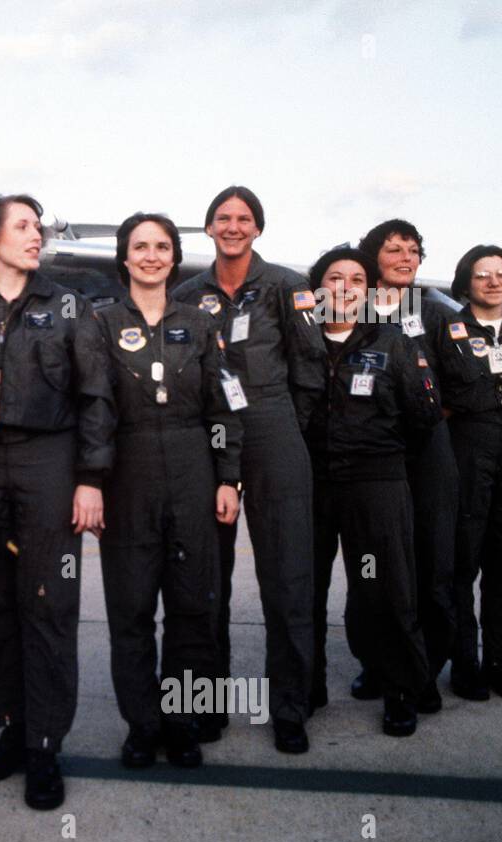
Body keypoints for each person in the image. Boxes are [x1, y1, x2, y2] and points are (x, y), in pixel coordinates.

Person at [0, 194, 110, 809]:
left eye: (38, 227)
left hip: (50, 462)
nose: (36, 235)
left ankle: (44, 746)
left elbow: (95, 395)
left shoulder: (69, 307)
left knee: (50, 604)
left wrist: (90, 477)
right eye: (24, 226)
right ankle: (10, 728)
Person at [81, 213, 242, 767]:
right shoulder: (99, 325)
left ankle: (181, 722)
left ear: (174, 258)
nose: (151, 255)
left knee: (193, 608)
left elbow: (224, 405)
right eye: (140, 246)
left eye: (162, 247)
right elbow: (94, 409)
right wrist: (92, 482)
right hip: (128, 475)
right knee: (130, 611)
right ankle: (142, 725)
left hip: (193, 468)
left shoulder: (200, 325)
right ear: (124, 257)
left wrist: (228, 477)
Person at [171, 186, 322, 753]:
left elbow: (310, 369)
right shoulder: (188, 293)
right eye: (222, 218)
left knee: (287, 579)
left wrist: (286, 430)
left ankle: (290, 705)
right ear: (208, 227)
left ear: (258, 228)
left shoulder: (287, 286)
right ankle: (208, 703)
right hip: (208, 435)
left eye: (244, 218)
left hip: (273, 430)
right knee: (207, 582)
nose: (233, 226)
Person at [298, 247, 442, 736]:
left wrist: (381, 455)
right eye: (333, 278)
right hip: (313, 483)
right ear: (317, 289)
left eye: (355, 279)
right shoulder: (300, 342)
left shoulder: (394, 341)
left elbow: (424, 415)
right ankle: (307, 685)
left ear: (368, 291)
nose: (343, 287)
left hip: (375, 483)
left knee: (387, 589)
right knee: (306, 589)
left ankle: (401, 687)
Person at [436, 245, 502, 702]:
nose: (494, 282)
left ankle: (500, 662)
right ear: (467, 281)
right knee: (462, 560)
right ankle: (464, 664)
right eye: (483, 275)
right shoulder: (447, 331)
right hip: (467, 442)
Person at [356, 220, 456, 712]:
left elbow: (461, 381)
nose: (404, 257)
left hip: (427, 450)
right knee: (372, 566)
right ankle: (375, 662)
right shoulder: (349, 308)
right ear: (373, 256)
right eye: (393, 249)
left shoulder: (434, 314)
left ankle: (424, 670)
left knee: (431, 562)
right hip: (371, 452)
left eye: (412, 250)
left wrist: (429, 415)